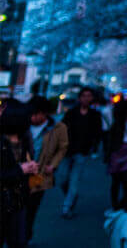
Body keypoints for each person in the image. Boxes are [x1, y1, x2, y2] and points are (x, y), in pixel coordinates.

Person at [26, 96, 69, 242]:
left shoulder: (58, 128)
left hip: (41, 174)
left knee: (31, 208)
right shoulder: (23, 124)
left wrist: (53, 165)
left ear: (44, 113)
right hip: (21, 172)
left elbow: (62, 148)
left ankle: (26, 235)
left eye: (35, 114)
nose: (32, 117)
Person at [60, 86, 105, 218]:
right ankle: (71, 197)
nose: (86, 98)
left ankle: (66, 207)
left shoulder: (95, 115)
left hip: (82, 151)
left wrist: (92, 147)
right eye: (84, 95)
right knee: (62, 178)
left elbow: (98, 132)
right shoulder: (71, 113)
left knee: (74, 179)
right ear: (79, 98)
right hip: (67, 150)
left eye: (89, 96)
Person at [2, 104, 39, 248]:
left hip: (18, 199)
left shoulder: (23, 140)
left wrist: (30, 168)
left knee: (18, 241)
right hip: (4, 200)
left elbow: (24, 164)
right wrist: (20, 170)